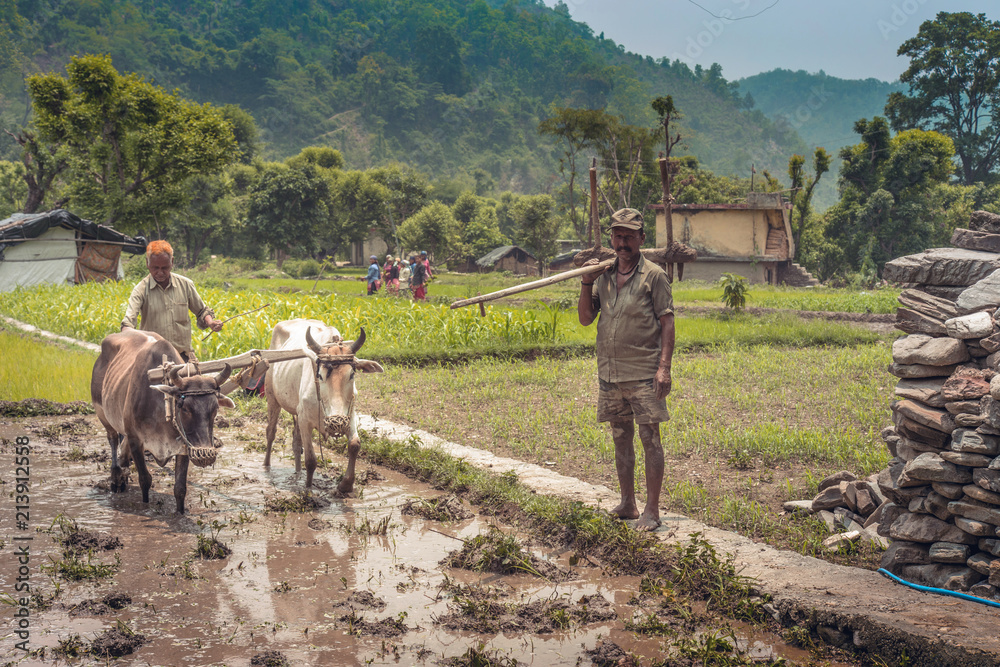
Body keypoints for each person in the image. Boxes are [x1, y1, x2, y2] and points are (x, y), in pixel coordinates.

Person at [577, 208, 674, 532]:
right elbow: (586, 318)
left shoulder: (654, 276)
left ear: (641, 239)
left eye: (629, 237)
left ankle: (652, 510)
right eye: (618, 237)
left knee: (649, 438)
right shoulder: (603, 277)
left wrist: (664, 368)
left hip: (644, 372)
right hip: (610, 373)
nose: (623, 243)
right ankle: (628, 503)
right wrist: (585, 282)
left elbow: (667, 322)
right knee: (621, 437)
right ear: (611, 239)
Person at [121, 240, 223, 362]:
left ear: (172, 262)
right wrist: (126, 334)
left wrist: (210, 322)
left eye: (165, 268)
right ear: (147, 263)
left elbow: (202, 311)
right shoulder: (141, 290)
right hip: (153, 358)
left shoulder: (186, 285)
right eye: (155, 268)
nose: (160, 272)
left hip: (183, 356)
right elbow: (128, 323)